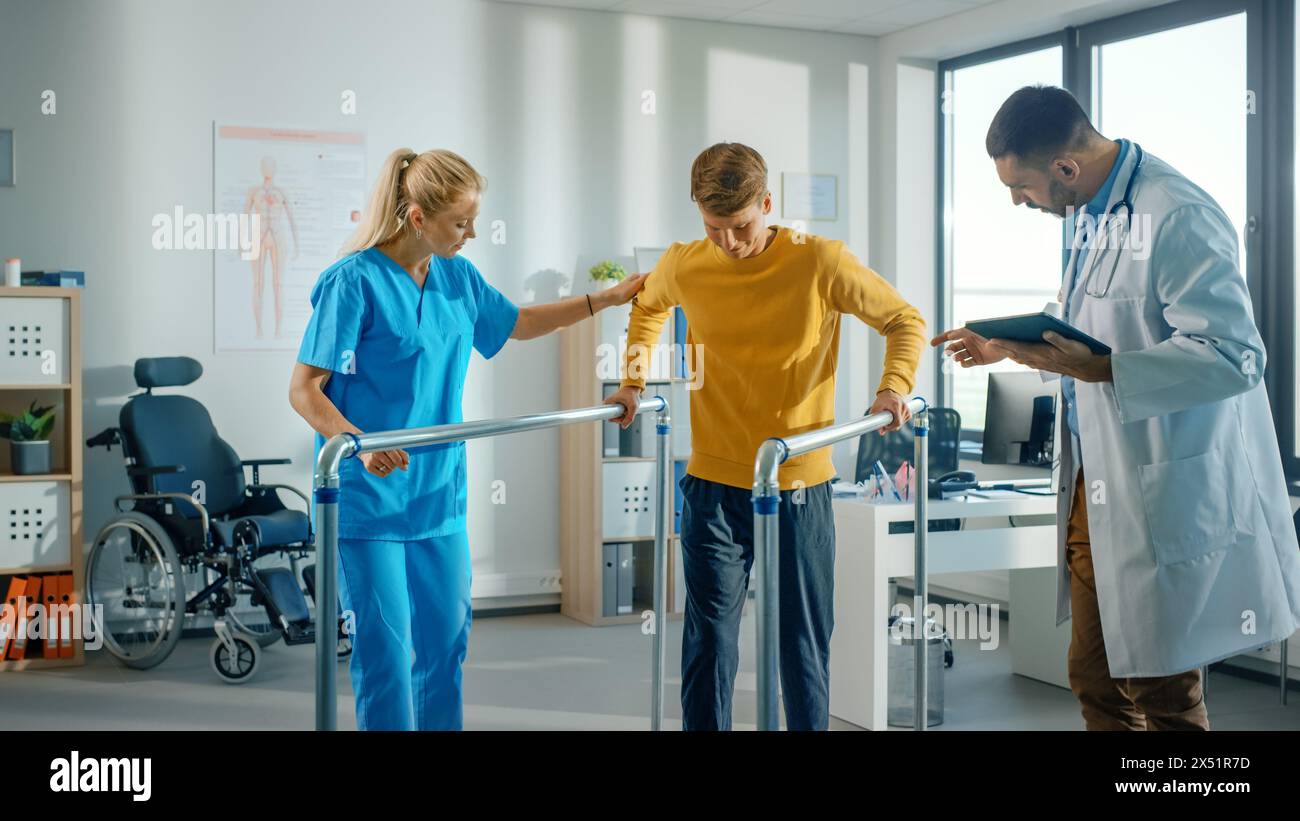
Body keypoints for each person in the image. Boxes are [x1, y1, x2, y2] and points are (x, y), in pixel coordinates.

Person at [931, 85, 1300, 730]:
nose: (1018, 202)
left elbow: (1235, 355)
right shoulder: (1094, 215)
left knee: (1160, 689)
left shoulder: (1178, 213)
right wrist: (1008, 345)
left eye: (1022, 187)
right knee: (1095, 680)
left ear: (1065, 167)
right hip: (1092, 486)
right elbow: (1090, 325)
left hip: (1161, 489)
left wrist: (1106, 370)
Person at [288, 147, 645, 730]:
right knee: (384, 654)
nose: (472, 234)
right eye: (461, 223)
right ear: (417, 217)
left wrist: (600, 300)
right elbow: (305, 389)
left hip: (438, 493)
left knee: (445, 646)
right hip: (368, 497)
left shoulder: (457, 277)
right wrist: (359, 442)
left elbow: (517, 324)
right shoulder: (353, 282)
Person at [605, 142, 926, 730]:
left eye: (741, 226)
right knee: (708, 643)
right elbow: (648, 308)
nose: (728, 242)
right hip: (711, 487)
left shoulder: (820, 261)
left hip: (797, 486)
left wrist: (893, 386)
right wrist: (632, 381)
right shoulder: (685, 263)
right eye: (713, 228)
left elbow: (904, 319)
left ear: (768, 204)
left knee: (801, 645)